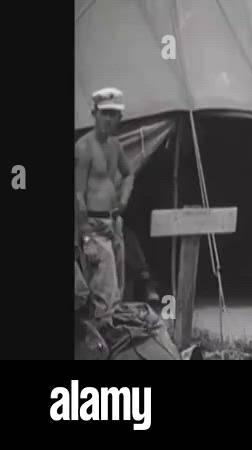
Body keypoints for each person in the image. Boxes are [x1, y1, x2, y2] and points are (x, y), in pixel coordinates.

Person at [75, 87, 133, 316]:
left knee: (116, 290)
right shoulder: (83, 147)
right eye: (104, 113)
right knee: (103, 294)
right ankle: (98, 347)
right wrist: (86, 236)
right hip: (94, 227)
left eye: (113, 114)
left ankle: (111, 344)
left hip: (114, 224)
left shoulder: (115, 145)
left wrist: (124, 200)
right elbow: (77, 194)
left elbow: (129, 173)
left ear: (120, 118)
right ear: (94, 113)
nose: (108, 119)